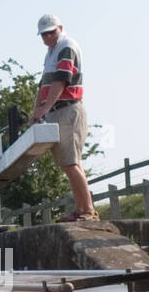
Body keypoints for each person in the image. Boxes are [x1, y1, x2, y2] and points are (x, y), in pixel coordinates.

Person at [28, 14, 97, 222]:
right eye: (44, 34)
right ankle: (81, 209)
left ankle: (87, 211)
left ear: (60, 28)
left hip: (68, 109)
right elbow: (45, 85)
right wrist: (36, 111)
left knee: (72, 162)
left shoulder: (66, 46)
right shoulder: (51, 53)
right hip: (56, 111)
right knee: (67, 164)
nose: (48, 37)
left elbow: (61, 81)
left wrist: (44, 108)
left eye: (51, 32)